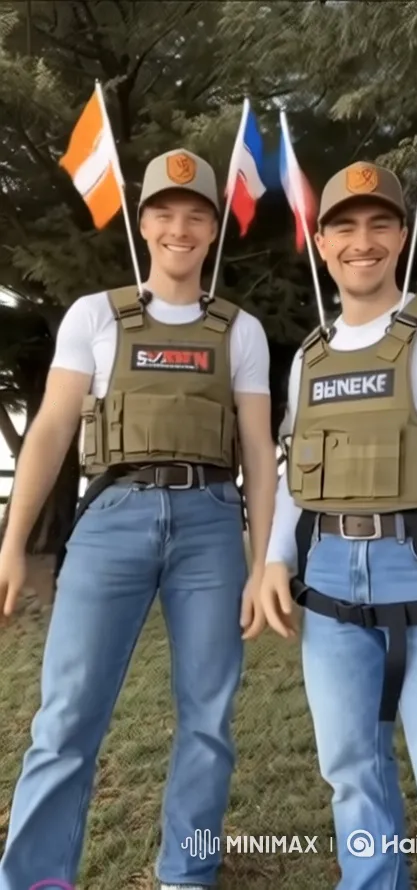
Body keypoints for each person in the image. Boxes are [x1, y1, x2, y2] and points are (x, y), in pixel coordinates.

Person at [0, 148, 277, 890]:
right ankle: (34, 878)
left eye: (196, 216)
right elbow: (52, 430)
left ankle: (186, 874)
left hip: (213, 523)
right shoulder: (96, 315)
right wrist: (13, 543)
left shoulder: (239, 330)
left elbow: (258, 448)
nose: (179, 228)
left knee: (209, 720)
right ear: (144, 221)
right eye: (165, 213)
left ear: (213, 230)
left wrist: (262, 562)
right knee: (65, 719)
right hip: (112, 518)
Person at [260, 161, 417, 889]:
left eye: (378, 224)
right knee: (352, 784)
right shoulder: (307, 358)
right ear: (321, 240)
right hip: (331, 596)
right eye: (344, 226)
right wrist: (277, 557)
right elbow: (292, 471)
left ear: (401, 234)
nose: (360, 241)